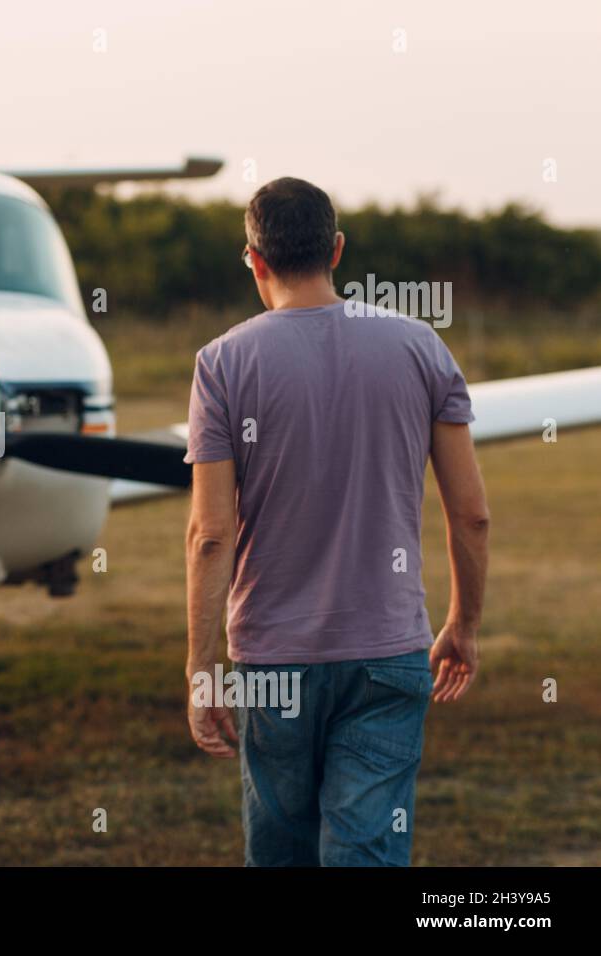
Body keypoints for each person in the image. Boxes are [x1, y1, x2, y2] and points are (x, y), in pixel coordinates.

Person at [182, 177, 491, 866]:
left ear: (254, 260)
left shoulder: (222, 364)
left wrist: (204, 668)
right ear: (338, 250)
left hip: (271, 658)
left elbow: (209, 535)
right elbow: (471, 515)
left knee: (282, 851)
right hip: (388, 651)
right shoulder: (419, 347)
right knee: (367, 849)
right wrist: (464, 623)